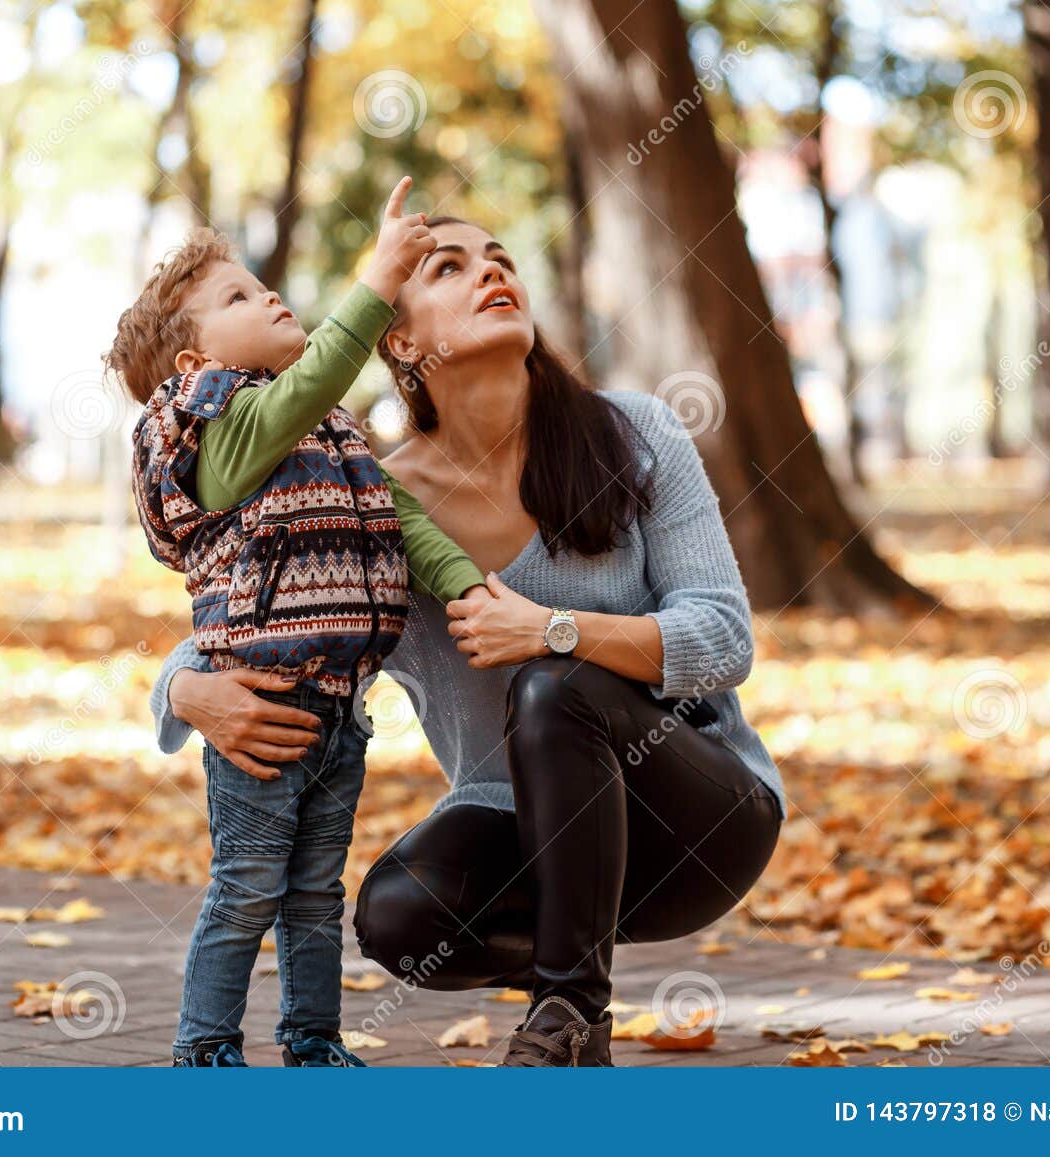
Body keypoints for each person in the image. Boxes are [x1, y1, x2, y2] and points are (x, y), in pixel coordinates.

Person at [151, 213, 785, 1066]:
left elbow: (722, 639)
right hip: (526, 837)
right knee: (396, 915)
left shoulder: (633, 433)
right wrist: (182, 689)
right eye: (449, 267)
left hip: (699, 816)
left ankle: (569, 1019)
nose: (493, 273)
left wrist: (553, 629)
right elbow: (263, 611)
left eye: (502, 258)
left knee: (554, 684)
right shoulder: (373, 499)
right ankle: (572, 966)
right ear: (399, 339)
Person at [111, 179, 487, 1067]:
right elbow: (312, 375)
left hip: (340, 711)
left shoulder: (326, 426)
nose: (270, 294)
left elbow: (403, 518)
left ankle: (313, 1038)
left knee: (316, 890)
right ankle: (204, 1047)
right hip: (259, 703)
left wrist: (467, 588)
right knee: (246, 887)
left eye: (261, 283)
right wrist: (381, 276)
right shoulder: (218, 427)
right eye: (238, 297)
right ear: (189, 361)